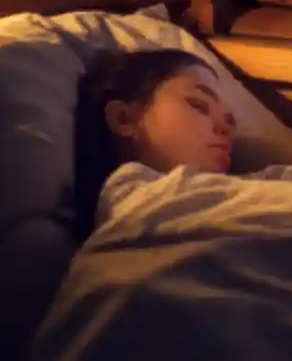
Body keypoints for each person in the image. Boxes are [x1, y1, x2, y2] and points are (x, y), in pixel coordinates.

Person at [72, 49, 236, 238]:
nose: (228, 130)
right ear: (125, 118)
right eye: (199, 105)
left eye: (229, 120)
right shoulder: (133, 204)